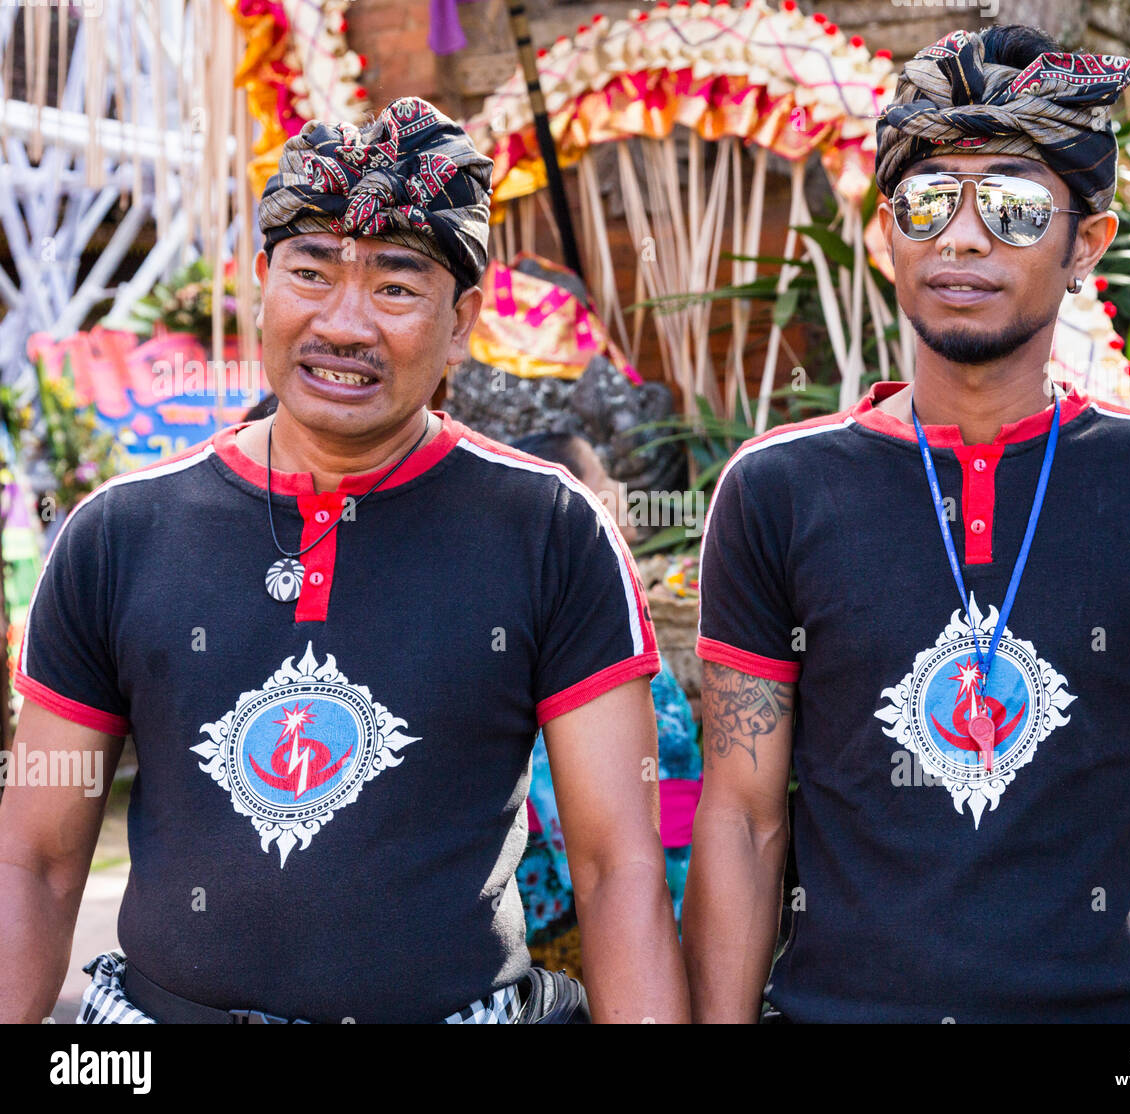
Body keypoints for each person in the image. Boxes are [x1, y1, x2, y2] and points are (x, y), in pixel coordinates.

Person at [0, 97, 688, 1025]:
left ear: (460, 325)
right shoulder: (117, 535)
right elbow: (33, 866)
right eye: (311, 272)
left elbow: (618, 867)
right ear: (259, 283)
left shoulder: (551, 531)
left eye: (397, 287)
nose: (344, 323)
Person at [683, 25, 1130, 1024]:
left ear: (1084, 245)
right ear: (887, 233)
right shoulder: (779, 489)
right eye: (929, 202)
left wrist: (1067, 911)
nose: (963, 238)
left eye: (1012, 208)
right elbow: (743, 818)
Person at [508, 432, 701, 976]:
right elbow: (584, 834)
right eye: (601, 476)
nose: (618, 488)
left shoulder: (603, 613)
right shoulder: (564, 638)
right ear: (567, 502)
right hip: (596, 948)